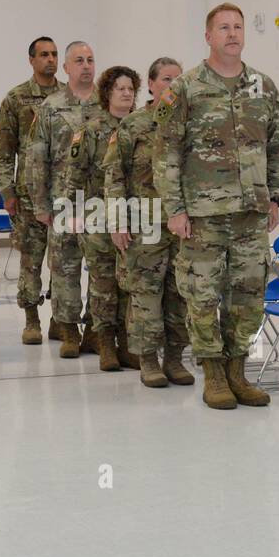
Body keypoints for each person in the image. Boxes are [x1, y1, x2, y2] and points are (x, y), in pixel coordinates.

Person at [157, 3, 279, 409]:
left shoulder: (263, 87)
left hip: (251, 211)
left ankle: (238, 371)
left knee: (248, 297)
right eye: (223, 28)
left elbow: (277, 146)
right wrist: (175, 209)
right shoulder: (185, 89)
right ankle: (212, 373)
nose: (232, 34)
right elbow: (166, 153)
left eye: (238, 27)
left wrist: (275, 196)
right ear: (208, 36)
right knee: (202, 296)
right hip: (203, 215)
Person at [105, 57, 193, 388]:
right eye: (167, 79)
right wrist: (117, 221)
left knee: (179, 293)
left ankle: (174, 357)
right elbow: (114, 177)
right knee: (146, 294)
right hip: (145, 225)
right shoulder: (134, 126)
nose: (173, 85)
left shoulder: (189, 122)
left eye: (178, 79)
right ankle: (147, 359)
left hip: (181, 224)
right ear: (152, 85)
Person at [26, 41, 100, 358]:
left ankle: (97, 329)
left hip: (100, 202)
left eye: (90, 60)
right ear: (66, 68)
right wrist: (40, 204)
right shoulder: (50, 107)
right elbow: (35, 158)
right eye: (78, 60)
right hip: (63, 202)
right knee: (65, 269)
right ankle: (68, 330)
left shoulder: (107, 103)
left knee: (101, 269)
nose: (86, 65)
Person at [67, 66, 139, 371]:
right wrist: (74, 212)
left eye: (130, 89)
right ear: (107, 93)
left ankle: (127, 343)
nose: (125, 93)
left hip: (135, 216)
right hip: (97, 215)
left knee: (129, 283)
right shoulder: (92, 129)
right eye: (119, 88)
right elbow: (74, 174)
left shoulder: (141, 127)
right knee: (103, 282)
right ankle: (104, 342)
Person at [0, 37, 64, 344]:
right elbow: (5, 151)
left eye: (54, 54)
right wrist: (7, 191)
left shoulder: (69, 96)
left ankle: (63, 319)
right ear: (31, 60)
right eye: (44, 55)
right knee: (31, 258)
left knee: (64, 260)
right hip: (29, 194)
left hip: (64, 192)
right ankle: (32, 318)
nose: (50, 59)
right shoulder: (16, 98)